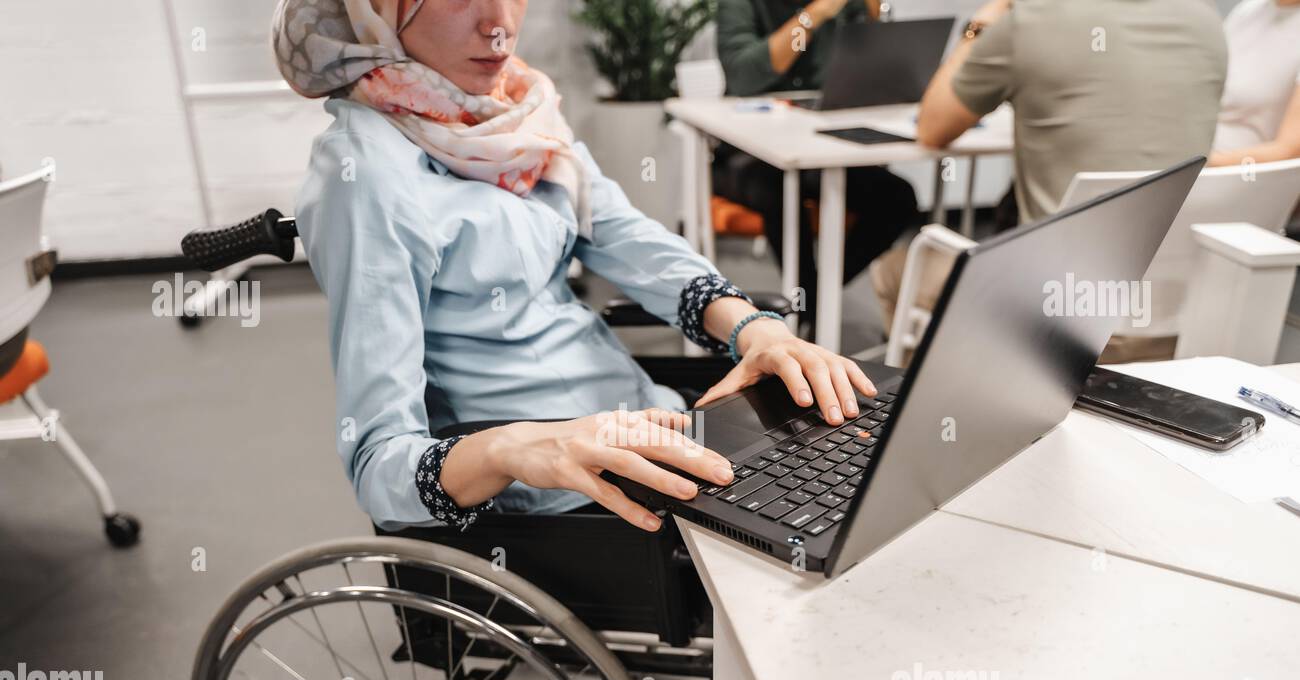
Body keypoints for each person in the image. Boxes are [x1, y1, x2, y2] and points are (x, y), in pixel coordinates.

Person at [272, 0, 876, 537]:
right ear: (377, 10)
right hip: (564, 497)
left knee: (855, 470)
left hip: (651, 428)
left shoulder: (514, 111)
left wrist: (756, 329)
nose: (499, 25)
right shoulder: (367, 177)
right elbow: (380, 466)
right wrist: (520, 445)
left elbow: (630, 239)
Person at [870, 0, 1227, 363]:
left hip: (1062, 323)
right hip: (1184, 321)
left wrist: (982, 22)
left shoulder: (1030, 22)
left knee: (896, 270)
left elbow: (932, 128)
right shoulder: (1206, 21)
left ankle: (955, 406)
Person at [714, 0, 918, 323]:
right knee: (780, 188)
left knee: (897, 198)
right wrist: (815, 14)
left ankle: (815, 299)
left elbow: (876, 73)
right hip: (743, 153)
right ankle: (811, 308)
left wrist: (876, 15)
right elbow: (743, 76)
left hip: (816, 149)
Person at [1208, 0, 1300, 168]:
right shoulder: (1249, 9)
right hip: (1197, 157)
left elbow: (1289, 151)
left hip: (1240, 177)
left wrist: (1198, 163)